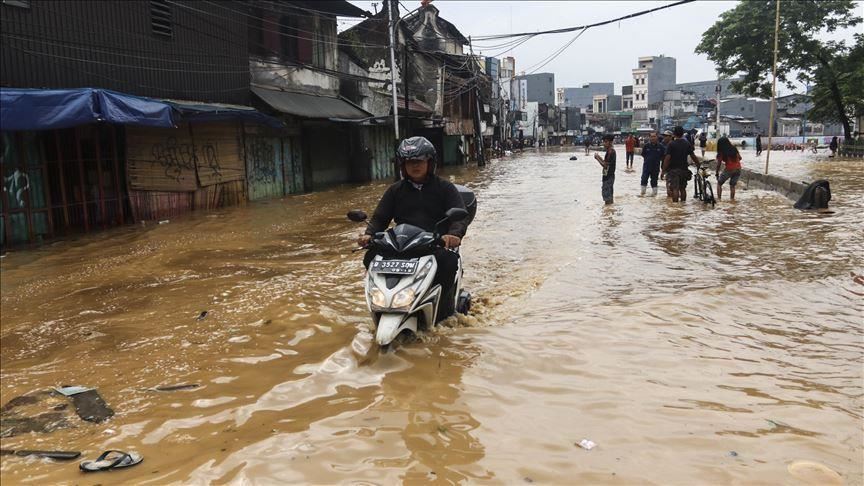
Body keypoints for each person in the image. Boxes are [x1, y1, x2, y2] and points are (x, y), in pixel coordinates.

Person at [358, 136, 467, 319]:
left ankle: (445, 309)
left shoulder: (445, 188)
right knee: (370, 257)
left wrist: (453, 235)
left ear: (429, 162)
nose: (414, 166)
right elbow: (380, 218)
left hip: (434, 244)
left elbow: (459, 216)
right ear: (402, 165)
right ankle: (384, 301)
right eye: (409, 162)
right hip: (402, 245)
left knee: (448, 263)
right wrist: (368, 235)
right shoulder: (395, 190)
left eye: (419, 161)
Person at [663, 126, 700, 202]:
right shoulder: (686, 143)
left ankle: (676, 206)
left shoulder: (671, 144)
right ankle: (683, 204)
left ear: (674, 134)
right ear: (682, 133)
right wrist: (698, 163)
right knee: (682, 188)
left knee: (675, 189)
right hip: (684, 170)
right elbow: (693, 155)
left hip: (673, 170)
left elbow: (667, 158)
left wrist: (663, 170)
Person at [715, 136, 742, 202]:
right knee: (732, 185)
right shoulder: (734, 148)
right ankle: (732, 200)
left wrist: (716, 173)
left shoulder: (721, 152)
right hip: (738, 169)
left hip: (729, 169)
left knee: (719, 183)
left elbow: (718, 164)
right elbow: (740, 158)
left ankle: (719, 200)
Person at [640, 131, 665, 197]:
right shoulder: (646, 146)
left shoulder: (661, 147)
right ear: (649, 138)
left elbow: (663, 156)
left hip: (656, 167)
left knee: (654, 181)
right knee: (644, 179)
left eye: (654, 136)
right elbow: (643, 154)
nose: (653, 138)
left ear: (657, 137)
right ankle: (642, 194)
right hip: (646, 167)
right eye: (651, 136)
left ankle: (654, 195)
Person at [594, 134, 616, 204]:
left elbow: (605, 165)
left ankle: (608, 213)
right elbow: (605, 162)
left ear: (610, 142)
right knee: (609, 197)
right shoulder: (610, 151)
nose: (604, 143)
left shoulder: (611, 152)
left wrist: (597, 158)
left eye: (606, 142)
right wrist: (599, 157)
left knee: (607, 199)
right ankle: (610, 212)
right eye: (604, 141)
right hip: (609, 176)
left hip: (608, 177)